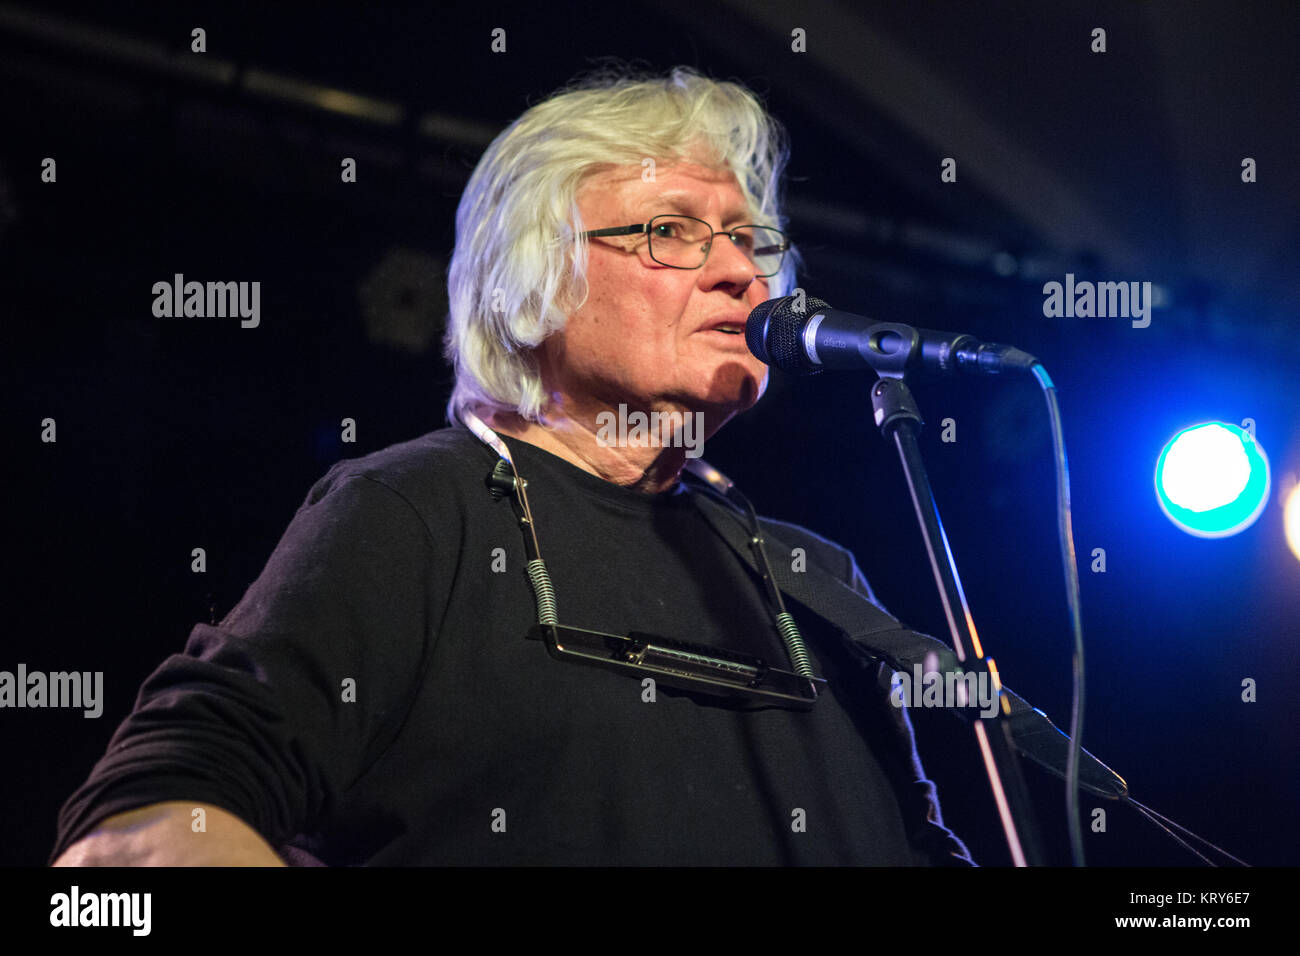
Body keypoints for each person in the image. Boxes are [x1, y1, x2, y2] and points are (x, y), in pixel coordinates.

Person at [50, 65, 974, 866]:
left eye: (748, 237)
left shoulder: (817, 577)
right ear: (532, 282)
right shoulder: (413, 512)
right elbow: (148, 825)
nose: (740, 271)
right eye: (670, 230)